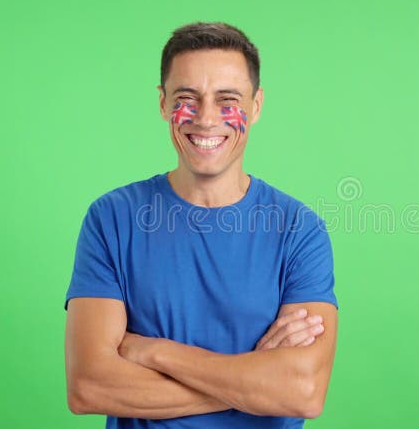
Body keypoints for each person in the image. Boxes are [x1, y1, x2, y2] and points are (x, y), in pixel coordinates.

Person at [63, 21, 340, 429]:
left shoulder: (300, 231)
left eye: (226, 99)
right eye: (186, 98)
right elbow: (89, 386)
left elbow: (302, 392)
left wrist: (155, 353)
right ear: (162, 103)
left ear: (256, 106)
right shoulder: (112, 219)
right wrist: (255, 382)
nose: (206, 119)